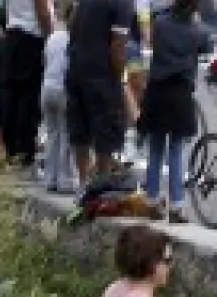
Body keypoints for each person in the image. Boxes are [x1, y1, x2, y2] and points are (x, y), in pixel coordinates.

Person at [133, 0, 208, 222]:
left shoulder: (160, 24)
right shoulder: (197, 31)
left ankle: (152, 201)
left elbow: (154, 42)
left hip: (157, 90)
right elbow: (205, 46)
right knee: (176, 150)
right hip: (181, 93)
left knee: (155, 147)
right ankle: (176, 205)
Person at [65, 0, 136, 185]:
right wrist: (121, 77)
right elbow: (117, 48)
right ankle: (101, 184)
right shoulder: (123, 4)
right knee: (106, 129)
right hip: (101, 74)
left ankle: (83, 183)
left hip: (76, 68)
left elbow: (72, 26)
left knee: (80, 129)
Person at [0, 0, 54, 165]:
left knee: (13, 93)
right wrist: (50, 36)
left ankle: (12, 149)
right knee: (29, 97)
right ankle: (24, 151)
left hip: (14, 34)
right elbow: (43, 12)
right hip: (31, 36)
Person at [40, 1, 77, 193]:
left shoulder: (53, 37)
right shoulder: (75, 39)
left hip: (47, 88)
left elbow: (45, 61)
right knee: (66, 135)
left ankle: (49, 179)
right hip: (63, 90)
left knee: (52, 134)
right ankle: (65, 180)